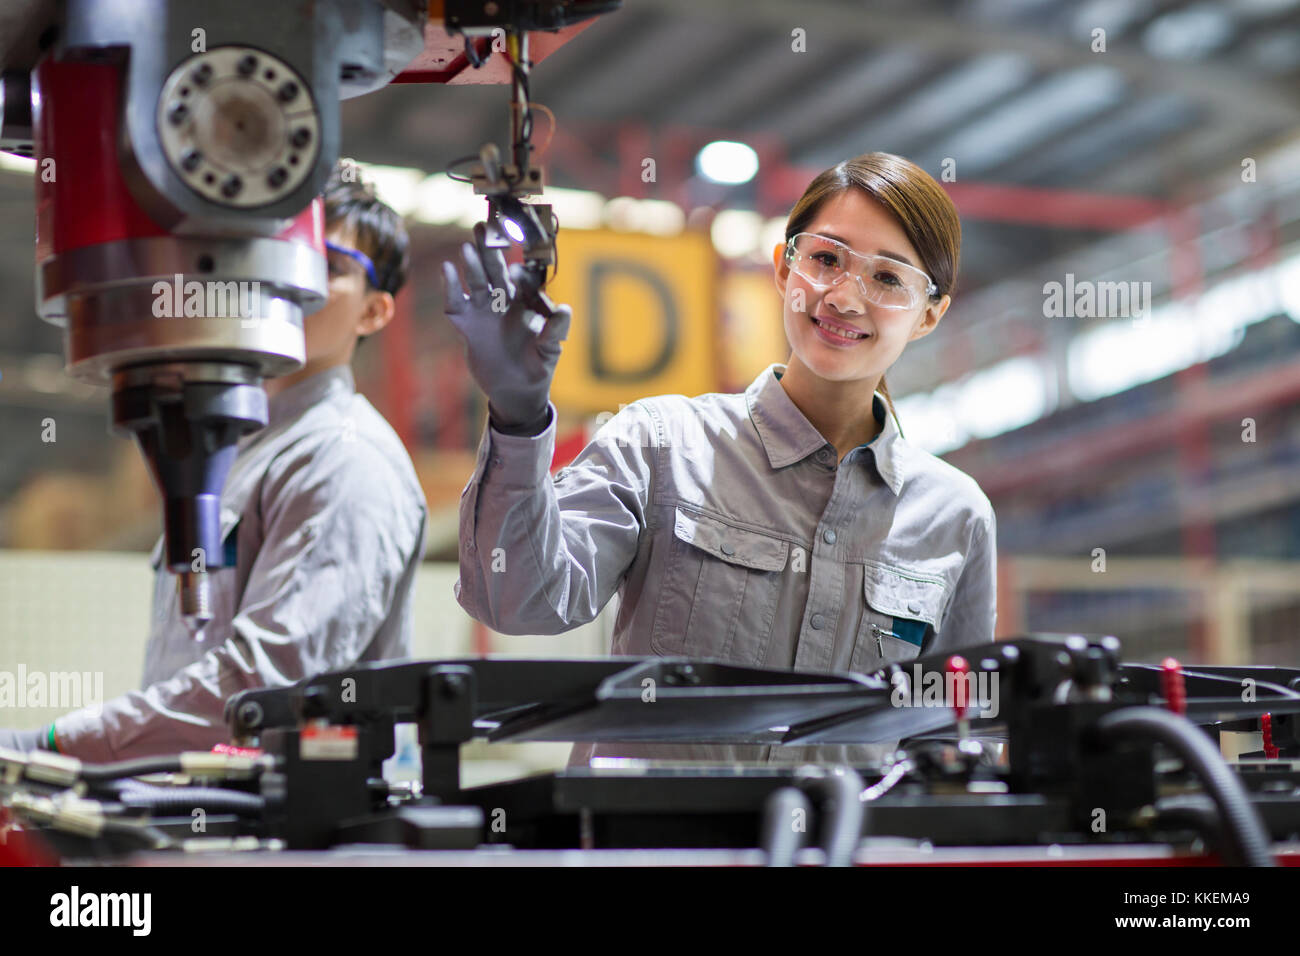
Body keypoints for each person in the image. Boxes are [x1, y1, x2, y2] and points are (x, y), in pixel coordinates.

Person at [447, 151, 996, 766]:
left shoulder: (956, 517)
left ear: (930, 314)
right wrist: (518, 420)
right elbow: (517, 600)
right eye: (825, 259)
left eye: (889, 278)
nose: (844, 296)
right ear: (784, 269)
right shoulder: (660, 446)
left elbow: (947, 745)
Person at [0, 160, 428, 760]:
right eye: (279, 256)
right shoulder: (242, 454)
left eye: (324, 268)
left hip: (297, 843)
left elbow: (266, 685)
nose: (291, 283)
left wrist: (55, 743)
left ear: (374, 312)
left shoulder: (344, 459)